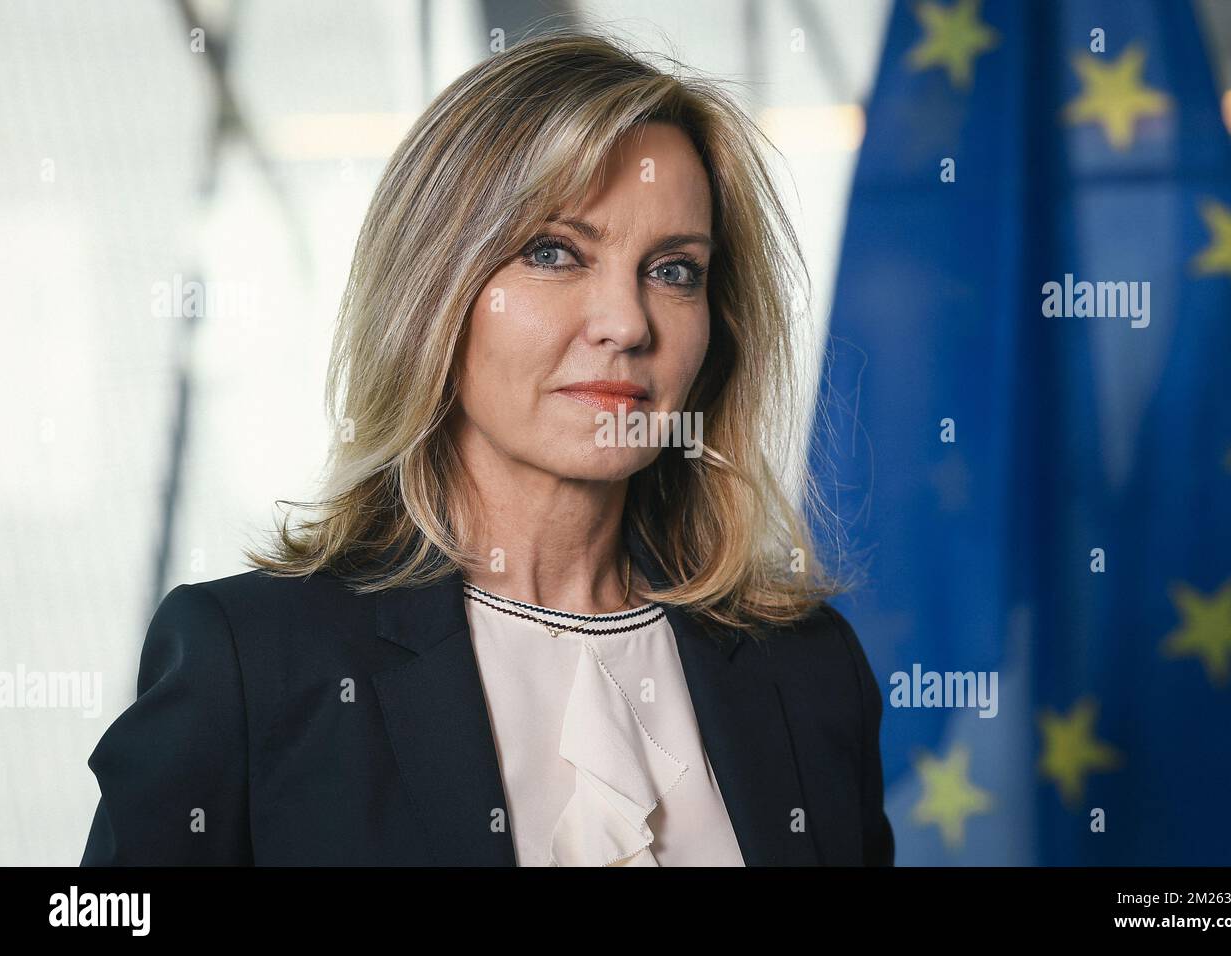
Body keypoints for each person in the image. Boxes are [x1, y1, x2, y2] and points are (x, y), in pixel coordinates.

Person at [80, 29, 894, 867]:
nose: (626, 321)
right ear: (436, 289)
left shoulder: (808, 670)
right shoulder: (250, 662)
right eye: (555, 253)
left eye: (674, 270)